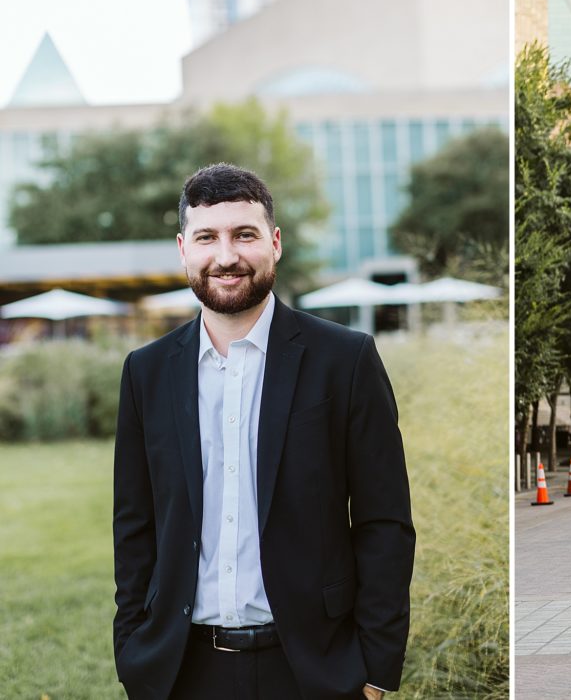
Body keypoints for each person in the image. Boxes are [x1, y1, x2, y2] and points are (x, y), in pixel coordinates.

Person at [112, 163, 415, 700]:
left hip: (312, 669)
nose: (226, 256)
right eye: (207, 237)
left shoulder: (345, 360)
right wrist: (133, 649)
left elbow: (384, 521)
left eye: (244, 235)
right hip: (180, 670)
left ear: (274, 243)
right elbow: (134, 526)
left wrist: (375, 670)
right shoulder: (146, 372)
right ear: (184, 249)